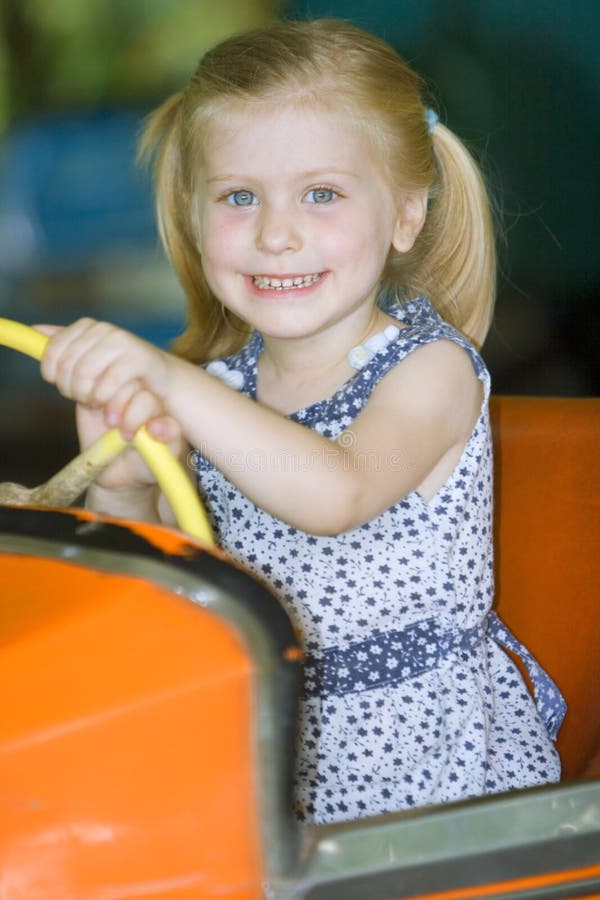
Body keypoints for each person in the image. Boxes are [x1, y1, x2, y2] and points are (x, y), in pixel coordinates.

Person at [38, 19, 565, 825]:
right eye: (238, 196)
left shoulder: (432, 370)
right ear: (194, 214)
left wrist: (171, 385)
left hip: (429, 785)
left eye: (321, 193)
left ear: (405, 217)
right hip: (264, 759)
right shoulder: (222, 390)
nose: (276, 233)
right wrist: (122, 486)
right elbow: (181, 593)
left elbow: (334, 492)